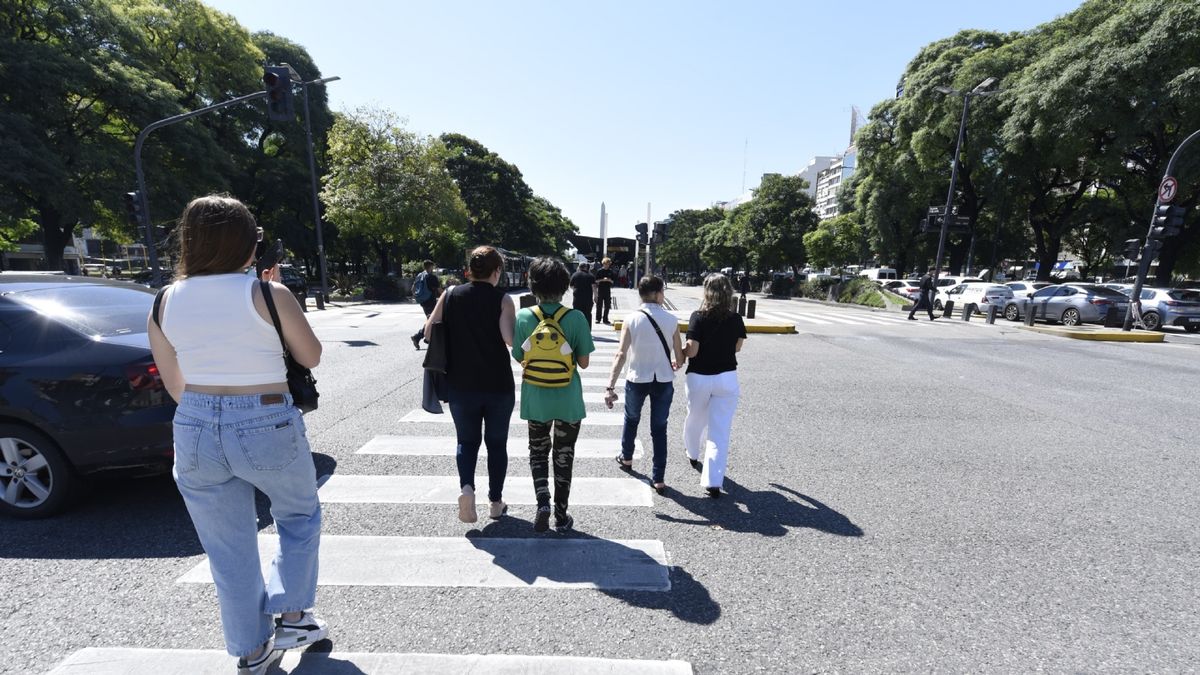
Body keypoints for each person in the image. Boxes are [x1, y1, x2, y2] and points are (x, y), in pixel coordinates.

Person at [147, 195, 325, 675]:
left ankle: (251, 652)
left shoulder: (164, 300)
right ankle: (292, 615)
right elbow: (310, 356)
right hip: (266, 416)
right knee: (298, 514)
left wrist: (212, 412)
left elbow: (174, 382)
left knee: (228, 548)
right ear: (250, 244)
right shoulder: (268, 295)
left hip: (196, 423)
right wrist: (281, 298)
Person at [424, 246, 515, 523]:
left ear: (470, 270)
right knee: (496, 444)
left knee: (466, 441)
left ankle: (466, 489)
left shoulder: (450, 294)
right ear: (497, 271)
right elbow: (509, 339)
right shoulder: (503, 300)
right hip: (498, 383)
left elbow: (429, 332)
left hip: (460, 384)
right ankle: (496, 503)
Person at [512, 257, 595, 532]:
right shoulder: (576, 318)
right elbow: (583, 363)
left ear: (533, 284)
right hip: (568, 399)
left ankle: (542, 502)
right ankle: (561, 513)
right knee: (564, 454)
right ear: (565, 286)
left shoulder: (524, 317)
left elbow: (520, 357)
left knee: (537, 452)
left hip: (536, 398)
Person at [605, 275, 685, 494]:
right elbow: (679, 356)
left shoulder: (631, 319)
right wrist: (677, 358)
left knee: (631, 419)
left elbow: (621, 354)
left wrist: (610, 386)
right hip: (663, 379)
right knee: (659, 429)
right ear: (658, 293)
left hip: (637, 378)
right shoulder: (671, 320)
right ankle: (658, 478)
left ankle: (627, 457)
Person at [682, 273, 746, 499]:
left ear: (706, 291)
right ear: (728, 292)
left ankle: (692, 452)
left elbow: (693, 350)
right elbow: (737, 348)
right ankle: (712, 482)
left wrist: (680, 352)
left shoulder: (698, 317)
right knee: (720, 432)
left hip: (699, 376)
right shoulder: (736, 319)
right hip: (727, 378)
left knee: (695, 418)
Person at [411, 260, 442, 349]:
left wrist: (417, 297)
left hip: (423, 302)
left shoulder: (420, 275)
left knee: (431, 320)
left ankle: (426, 339)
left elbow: (413, 288)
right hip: (430, 301)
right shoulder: (431, 277)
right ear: (431, 267)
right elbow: (440, 290)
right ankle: (418, 337)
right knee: (433, 320)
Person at [594, 257, 615, 324]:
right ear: (603, 264)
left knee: (607, 305)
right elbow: (596, 281)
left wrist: (609, 280)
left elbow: (613, 281)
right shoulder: (600, 271)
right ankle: (598, 319)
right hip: (600, 289)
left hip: (607, 290)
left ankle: (605, 319)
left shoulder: (610, 271)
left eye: (608, 264)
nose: (607, 265)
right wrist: (603, 279)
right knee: (599, 305)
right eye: (606, 264)